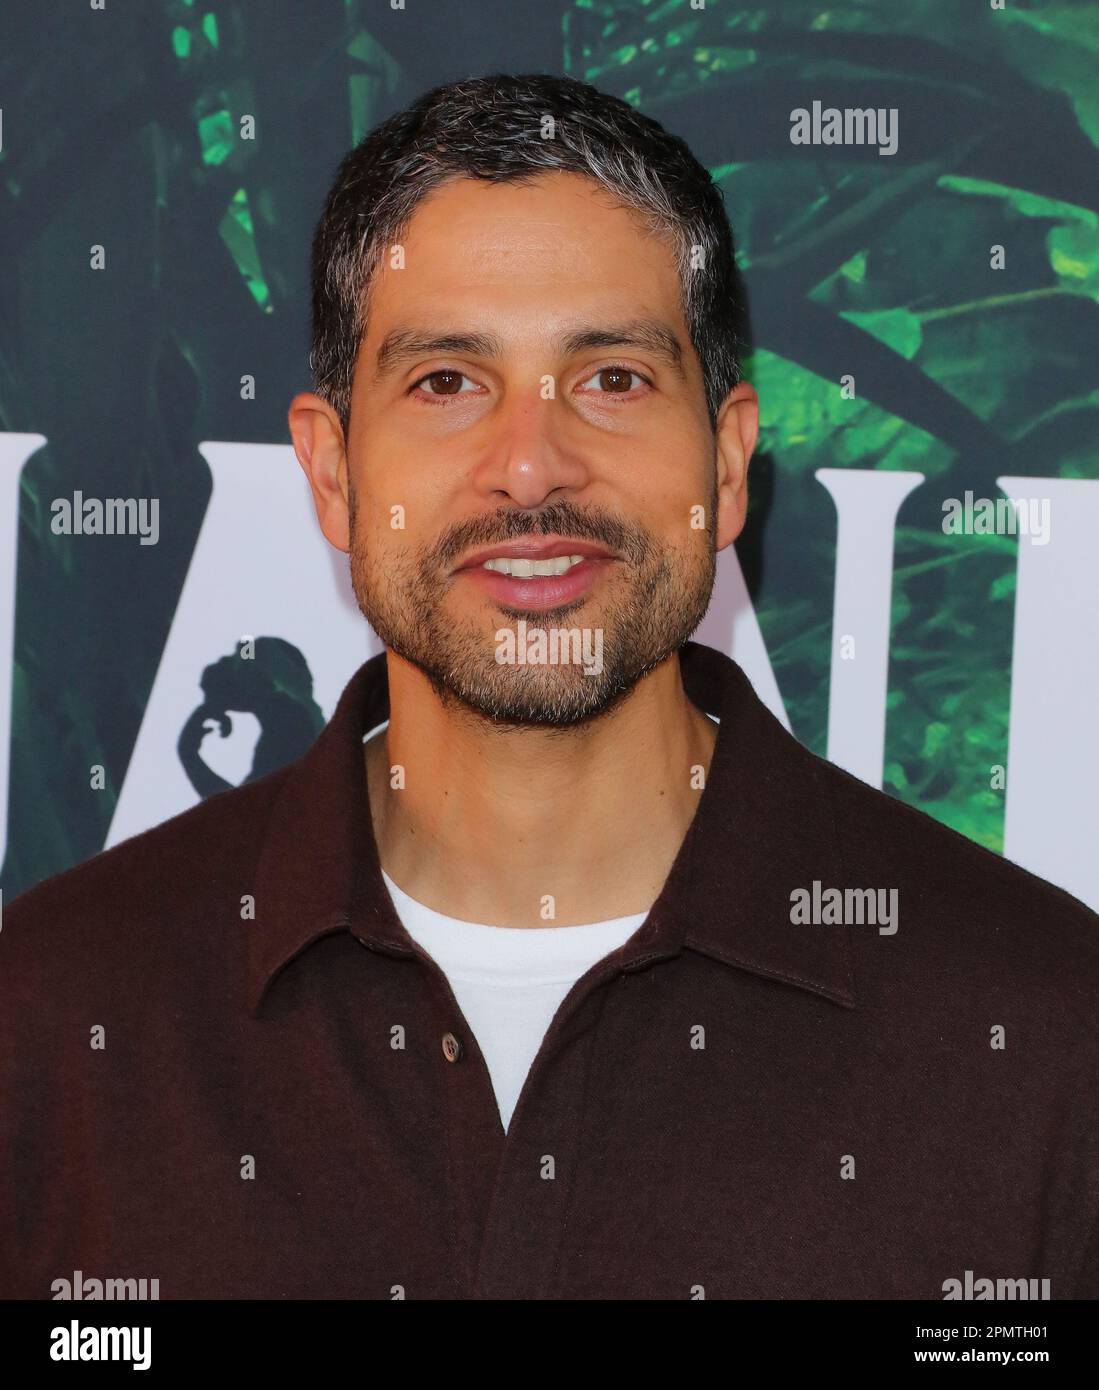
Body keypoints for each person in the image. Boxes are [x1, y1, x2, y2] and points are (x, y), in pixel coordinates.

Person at [2, 72, 1097, 1301]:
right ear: (329, 472)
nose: (530, 465)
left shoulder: (1047, 1034)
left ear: (728, 463)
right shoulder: (55, 1014)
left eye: (613, 377)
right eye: (446, 382)